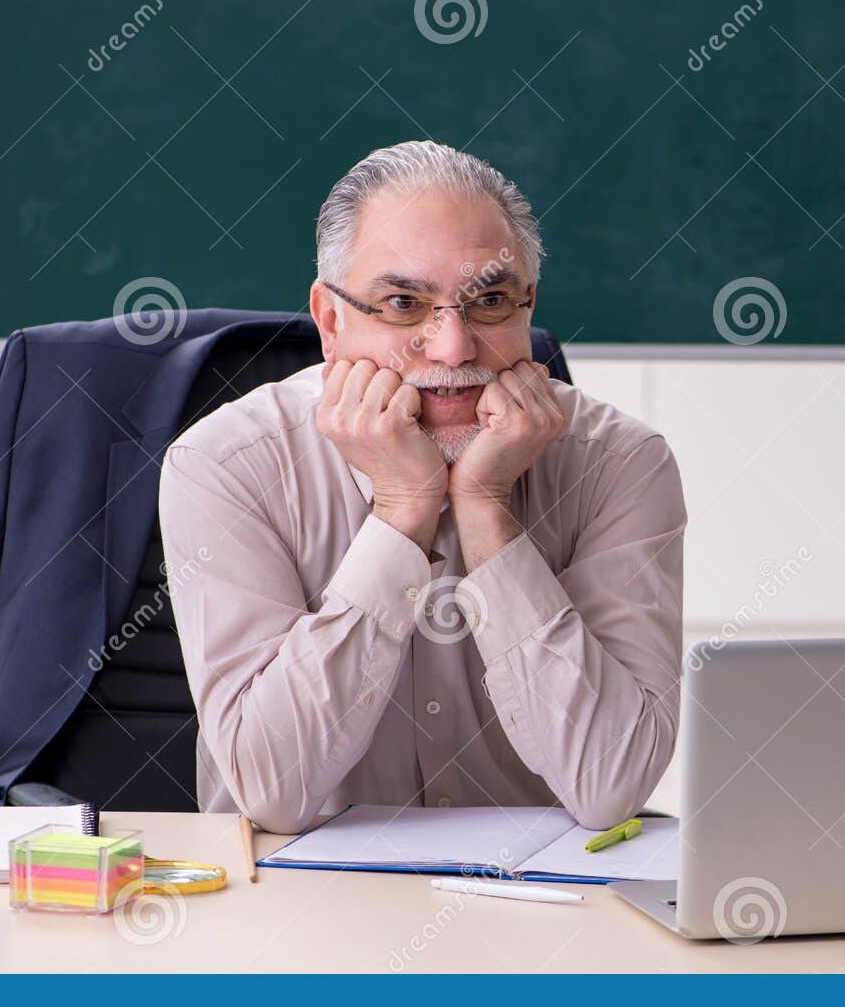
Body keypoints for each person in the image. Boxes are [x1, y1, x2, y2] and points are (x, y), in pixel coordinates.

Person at [159, 140, 687, 833]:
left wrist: (486, 511)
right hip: (301, 918)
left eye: (490, 301)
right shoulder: (226, 466)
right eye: (404, 303)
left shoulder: (622, 463)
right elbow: (274, 793)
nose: (453, 348)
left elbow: (610, 787)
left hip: (538, 918)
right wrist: (403, 513)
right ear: (330, 321)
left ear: (528, 308)